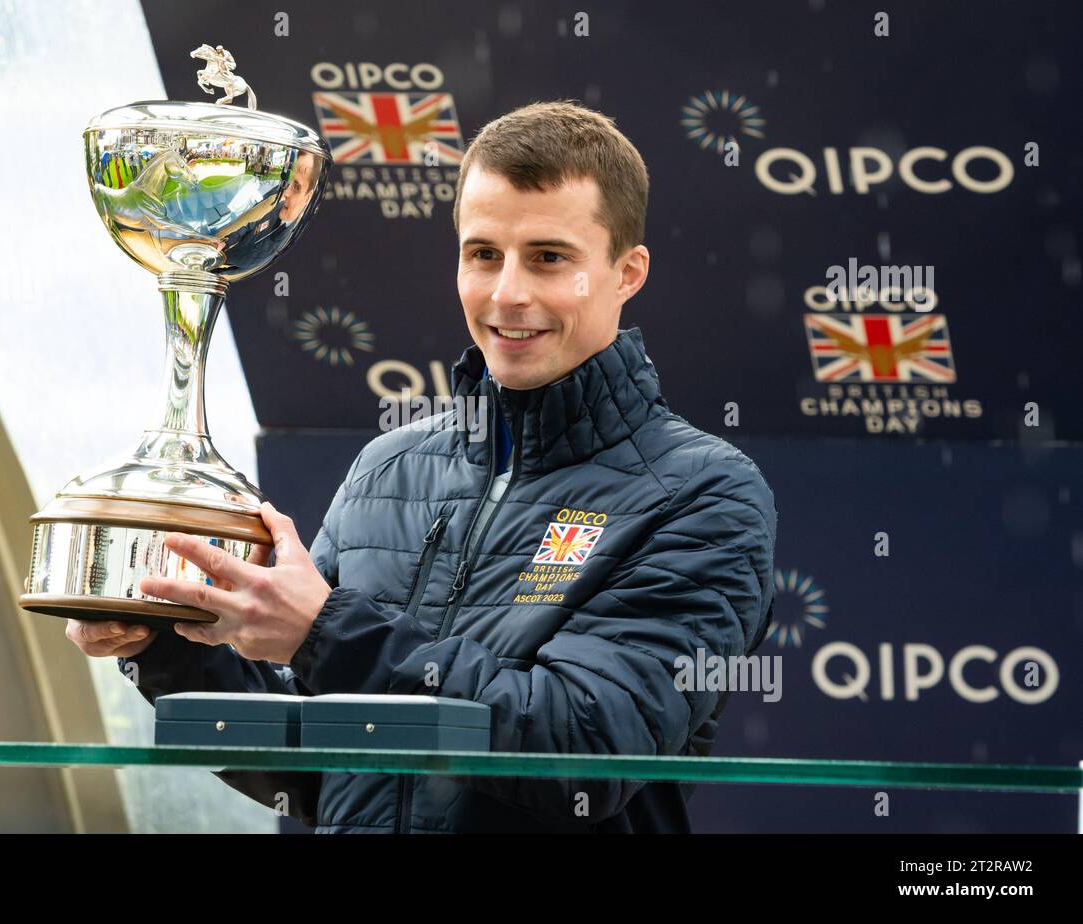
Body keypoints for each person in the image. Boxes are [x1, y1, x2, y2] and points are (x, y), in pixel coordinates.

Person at [67, 100, 778, 833]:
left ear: (627, 273)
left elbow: (588, 752)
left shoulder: (703, 495)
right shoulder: (389, 465)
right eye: (483, 254)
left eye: (549, 257)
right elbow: (312, 768)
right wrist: (162, 648)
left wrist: (325, 632)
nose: (508, 293)